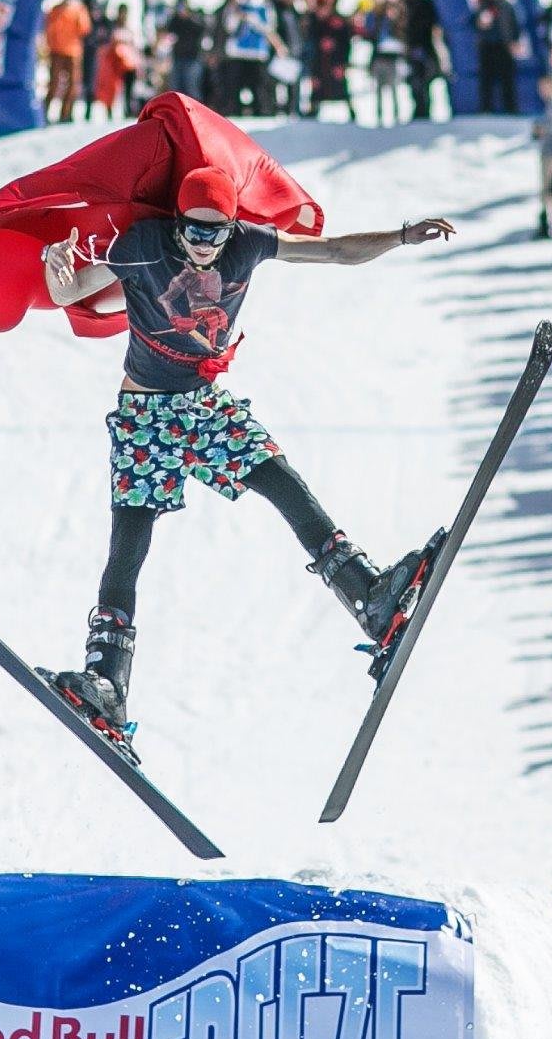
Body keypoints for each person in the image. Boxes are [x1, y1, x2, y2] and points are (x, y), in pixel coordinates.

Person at [36, 171, 457, 749]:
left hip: (204, 406)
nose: (206, 246)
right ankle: (106, 681)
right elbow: (70, 292)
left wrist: (402, 236)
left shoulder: (248, 245)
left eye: (216, 234)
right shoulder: (142, 245)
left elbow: (333, 251)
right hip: (146, 415)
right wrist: (57, 273)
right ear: (177, 223)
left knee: (282, 481)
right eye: (194, 232)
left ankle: (370, 599)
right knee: (129, 543)